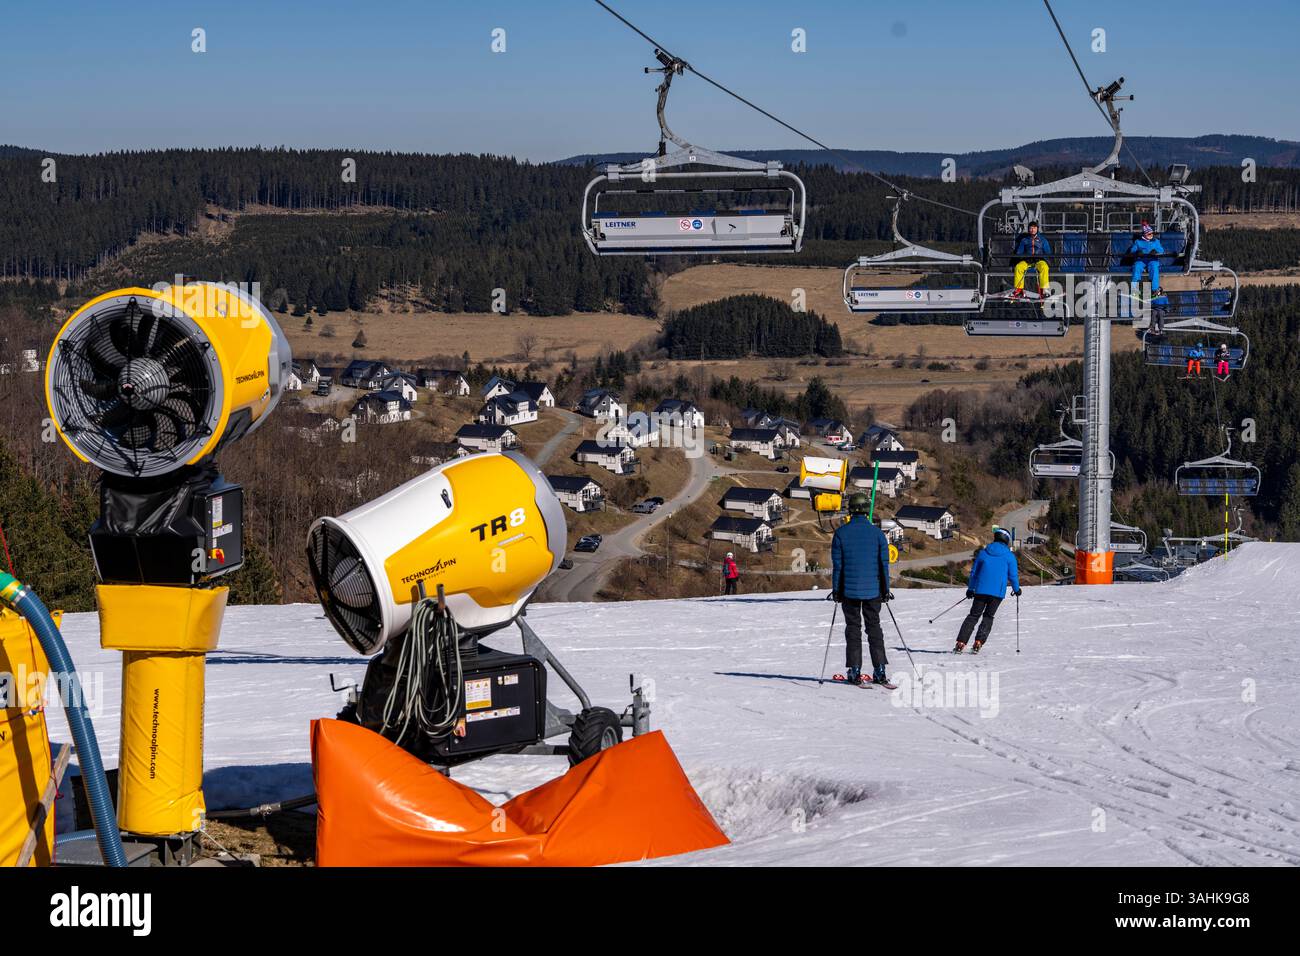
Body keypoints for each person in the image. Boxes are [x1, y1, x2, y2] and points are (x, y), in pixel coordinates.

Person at [831, 492, 893, 685]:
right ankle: (880, 669)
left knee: (853, 629)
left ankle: (855, 670)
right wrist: (885, 590)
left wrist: (836, 590)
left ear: (850, 509)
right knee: (874, 628)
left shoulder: (841, 533)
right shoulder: (878, 534)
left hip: (849, 591)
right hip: (873, 591)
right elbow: (884, 565)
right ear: (867, 510)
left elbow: (838, 566)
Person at [953, 526, 1020, 654]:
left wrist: (971, 589)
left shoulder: (983, 553)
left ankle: (960, 643)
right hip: (997, 593)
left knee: (973, 616)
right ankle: (978, 642)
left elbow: (974, 573)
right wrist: (1016, 590)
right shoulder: (1009, 556)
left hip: (980, 591)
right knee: (988, 617)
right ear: (1007, 540)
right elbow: (1013, 576)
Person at [1012, 220, 1052, 299]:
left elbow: (1048, 252)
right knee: (1018, 267)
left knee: (1044, 267)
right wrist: (1022, 257)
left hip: (1039, 260)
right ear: (1028, 229)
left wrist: (1044, 258)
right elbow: (1019, 252)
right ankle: (1019, 290)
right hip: (1027, 261)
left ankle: (1045, 289)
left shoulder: (1043, 240)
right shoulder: (1025, 240)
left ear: (1037, 229)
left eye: (1034, 228)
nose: (1032, 230)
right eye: (1031, 228)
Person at [1128, 222, 1165, 297]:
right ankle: (1134, 289)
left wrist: (1156, 251)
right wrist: (1137, 252)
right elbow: (1132, 250)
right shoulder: (1138, 242)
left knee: (1154, 268)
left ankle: (1155, 289)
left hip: (1152, 259)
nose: (1151, 235)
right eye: (1149, 234)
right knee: (1137, 267)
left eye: (1152, 233)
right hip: (1141, 259)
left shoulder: (1155, 241)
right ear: (1144, 234)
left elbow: (1162, 250)